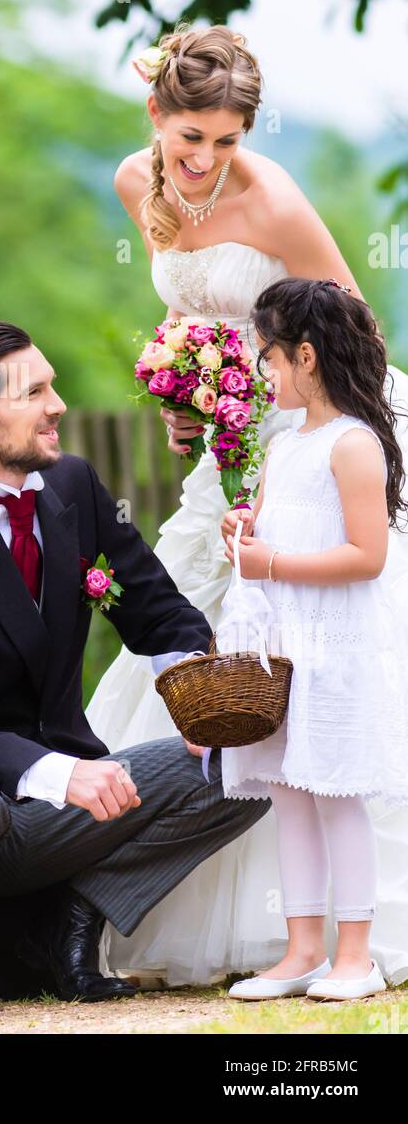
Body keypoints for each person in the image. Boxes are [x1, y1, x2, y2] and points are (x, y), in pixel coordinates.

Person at [86, 24, 408, 987]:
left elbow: (352, 332)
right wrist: (190, 402)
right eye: (191, 138)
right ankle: (181, 904)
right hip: (223, 447)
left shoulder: (271, 199)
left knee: (311, 677)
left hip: (305, 436)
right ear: (156, 117)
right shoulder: (133, 186)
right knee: (195, 651)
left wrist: (288, 420)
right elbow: (191, 319)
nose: (206, 161)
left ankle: (341, 932)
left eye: (226, 141)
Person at [0, 319, 271, 1014]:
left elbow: (156, 611)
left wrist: (206, 702)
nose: (58, 406)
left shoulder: (72, 486)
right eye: (36, 391)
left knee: (249, 761)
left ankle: (73, 925)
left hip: (63, 815)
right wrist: (55, 772)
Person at [218, 275, 408, 1002]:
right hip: (285, 646)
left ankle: (353, 956)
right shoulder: (284, 446)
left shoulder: (353, 444)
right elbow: (262, 532)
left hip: (336, 645)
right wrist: (241, 528)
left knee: (335, 792)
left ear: (305, 355)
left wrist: (275, 562)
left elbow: (368, 555)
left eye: (267, 357)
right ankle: (301, 949)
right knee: (289, 791)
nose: (262, 372)